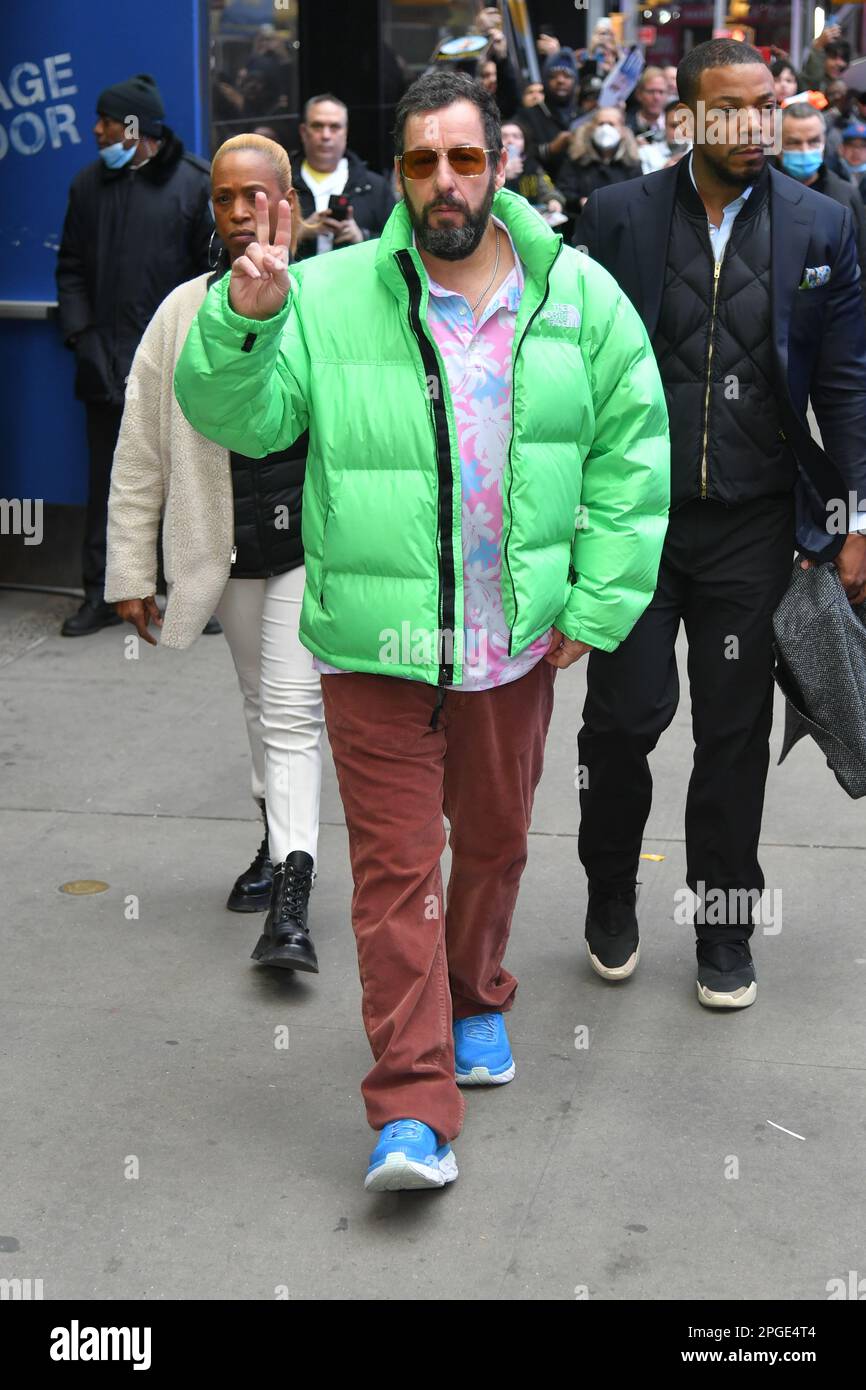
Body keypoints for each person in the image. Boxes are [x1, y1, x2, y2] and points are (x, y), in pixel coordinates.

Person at [174, 70, 669, 1192]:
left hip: (513, 647)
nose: (442, 182)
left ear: (498, 162)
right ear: (394, 174)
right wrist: (244, 322)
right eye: (418, 162)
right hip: (373, 645)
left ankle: (478, 988)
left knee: (490, 848)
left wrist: (593, 605)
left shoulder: (576, 298)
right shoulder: (330, 290)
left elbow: (631, 457)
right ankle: (409, 1105)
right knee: (397, 871)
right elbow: (240, 417)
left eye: (462, 158)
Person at [576, 39, 866, 1010]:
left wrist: (853, 514)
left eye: (765, 104)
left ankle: (723, 925)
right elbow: (570, 375)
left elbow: (846, 384)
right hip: (633, 526)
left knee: (732, 737)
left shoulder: (821, 225)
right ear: (686, 117)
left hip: (751, 528)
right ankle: (608, 890)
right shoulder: (616, 217)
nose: (754, 125)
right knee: (619, 724)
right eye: (731, 109)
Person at [104, 135, 325, 969]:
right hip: (226, 551)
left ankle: (293, 899)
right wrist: (130, 567)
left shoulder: (324, 300)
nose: (240, 212)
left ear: (288, 203)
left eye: (256, 196)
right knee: (258, 701)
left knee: (293, 710)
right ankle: (275, 844)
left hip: (311, 545)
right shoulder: (180, 313)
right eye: (225, 198)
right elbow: (141, 449)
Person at [56, 73, 213, 637]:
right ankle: (104, 594)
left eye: (105, 119)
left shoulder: (195, 186)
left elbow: (210, 282)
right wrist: (82, 338)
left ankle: (190, 595)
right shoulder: (86, 187)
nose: (95, 130)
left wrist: (191, 353)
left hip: (177, 367)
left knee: (186, 481)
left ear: (134, 126)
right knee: (109, 482)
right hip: (103, 364)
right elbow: (70, 267)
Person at [778, 103, 866, 306]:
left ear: (824, 142)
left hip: (833, 316)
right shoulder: (759, 194)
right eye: (793, 143)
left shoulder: (845, 194)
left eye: (813, 141)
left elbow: (861, 260)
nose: (804, 150)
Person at [290, 94, 395, 260]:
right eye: (317, 126)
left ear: (345, 132)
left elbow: (398, 246)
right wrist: (300, 233)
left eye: (334, 127)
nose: (325, 135)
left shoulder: (375, 187)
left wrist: (361, 236)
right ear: (303, 132)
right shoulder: (283, 185)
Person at [558, 106, 642, 224]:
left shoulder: (632, 163)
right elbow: (564, 191)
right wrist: (579, 202)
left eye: (611, 124)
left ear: (622, 130)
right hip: (583, 224)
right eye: (601, 123)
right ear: (592, 128)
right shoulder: (576, 159)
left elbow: (638, 196)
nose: (605, 128)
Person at [517, 48, 580, 181]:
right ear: (544, 82)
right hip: (542, 191)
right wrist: (550, 149)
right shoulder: (528, 115)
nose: (560, 81)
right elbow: (518, 153)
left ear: (575, 82)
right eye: (553, 76)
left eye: (567, 76)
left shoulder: (582, 115)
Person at [501, 121, 564, 218]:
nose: (510, 141)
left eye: (516, 137)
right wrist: (502, 173)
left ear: (524, 143)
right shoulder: (489, 167)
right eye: (504, 137)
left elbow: (548, 189)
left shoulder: (533, 166)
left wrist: (553, 200)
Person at [637, 99, 692, 175]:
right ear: (665, 126)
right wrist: (664, 174)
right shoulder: (647, 153)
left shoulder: (702, 154)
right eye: (674, 126)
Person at [800, 25, 850, 95]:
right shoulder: (812, 82)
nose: (839, 63)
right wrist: (818, 46)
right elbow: (812, 78)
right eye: (833, 57)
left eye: (843, 58)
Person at [626, 66, 669, 142]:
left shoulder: (676, 125)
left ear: (667, 95)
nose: (656, 97)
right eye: (651, 91)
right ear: (639, 94)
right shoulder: (626, 125)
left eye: (661, 92)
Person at [839, 119, 866, 201]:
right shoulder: (829, 173)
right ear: (841, 148)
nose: (856, 151)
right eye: (851, 145)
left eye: (863, 146)